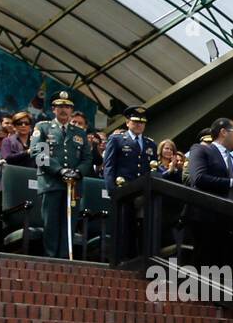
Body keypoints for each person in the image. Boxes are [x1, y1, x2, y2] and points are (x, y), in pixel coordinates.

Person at [29, 93, 92, 259]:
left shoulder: (80, 132)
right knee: (51, 223)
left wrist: (78, 172)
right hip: (51, 182)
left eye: (68, 106)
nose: (64, 110)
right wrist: (59, 170)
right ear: (53, 109)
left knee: (69, 224)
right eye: (60, 106)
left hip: (73, 185)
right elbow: (38, 153)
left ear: (72, 110)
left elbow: (87, 158)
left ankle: (65, 258)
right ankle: (50, 258)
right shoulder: (42, 127)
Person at [186, 116, 233, 270]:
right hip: (206, 219)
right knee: (204, 265)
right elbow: (198, 178)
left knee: (225, 267)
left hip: (231, 223)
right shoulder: (201, 150)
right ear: (223, 132)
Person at [102, 105, 159, 261]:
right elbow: (109, 166)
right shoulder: (117, 139)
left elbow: (151, 169)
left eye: (142, 122)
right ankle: (121, 259)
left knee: (140, 229)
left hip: (142, 193)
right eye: (135, 122)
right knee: (123, 228)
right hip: (124, 190)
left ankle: (136, 259)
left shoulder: (150, 144)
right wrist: (111, 190)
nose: (139, 125)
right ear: (127, 122)